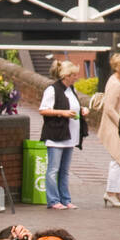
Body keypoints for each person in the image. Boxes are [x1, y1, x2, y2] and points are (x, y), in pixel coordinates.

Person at [40, 58, 86, 211]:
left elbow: (74, 107)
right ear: (66, 76)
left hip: (70, 136)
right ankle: (53, 200)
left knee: (65, 171)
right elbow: (43, 110)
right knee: (53, 170)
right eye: (74, 75)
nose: (76, 77)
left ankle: (65, 199)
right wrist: (62, 113)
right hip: (56, 136)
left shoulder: (71, 90)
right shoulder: (52, 90)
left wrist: (82, 110)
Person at [99, 52, 120, 208]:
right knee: (118, 160)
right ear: (118, 66)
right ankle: (110, 192)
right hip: (115, 127)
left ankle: (118, 192)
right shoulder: (114, 83)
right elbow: (109, 108)